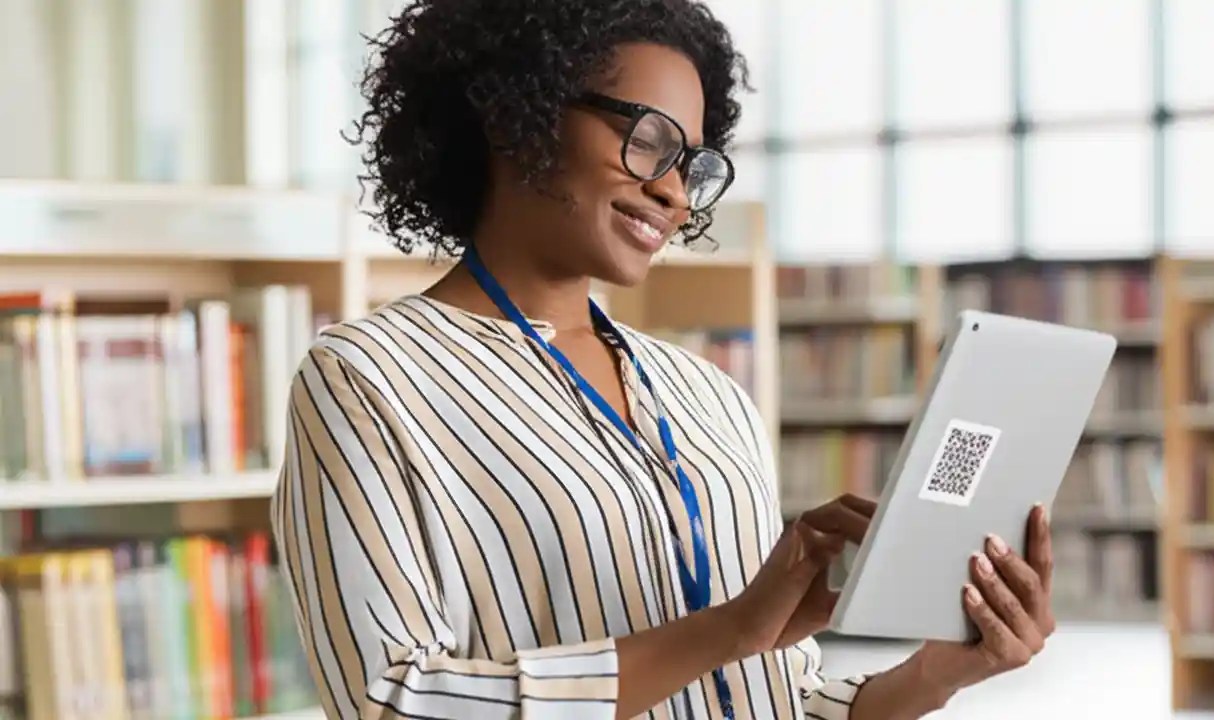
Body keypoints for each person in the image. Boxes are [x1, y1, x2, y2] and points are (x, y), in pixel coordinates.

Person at [270, 1, 1058, 718]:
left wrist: (938, 673)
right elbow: (392, 700)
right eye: (649, 141)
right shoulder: (367, 379)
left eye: (693, 165)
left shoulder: (710, 396)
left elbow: (780, 695)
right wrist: (726, 632)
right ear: (518, 117)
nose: (677, 194)